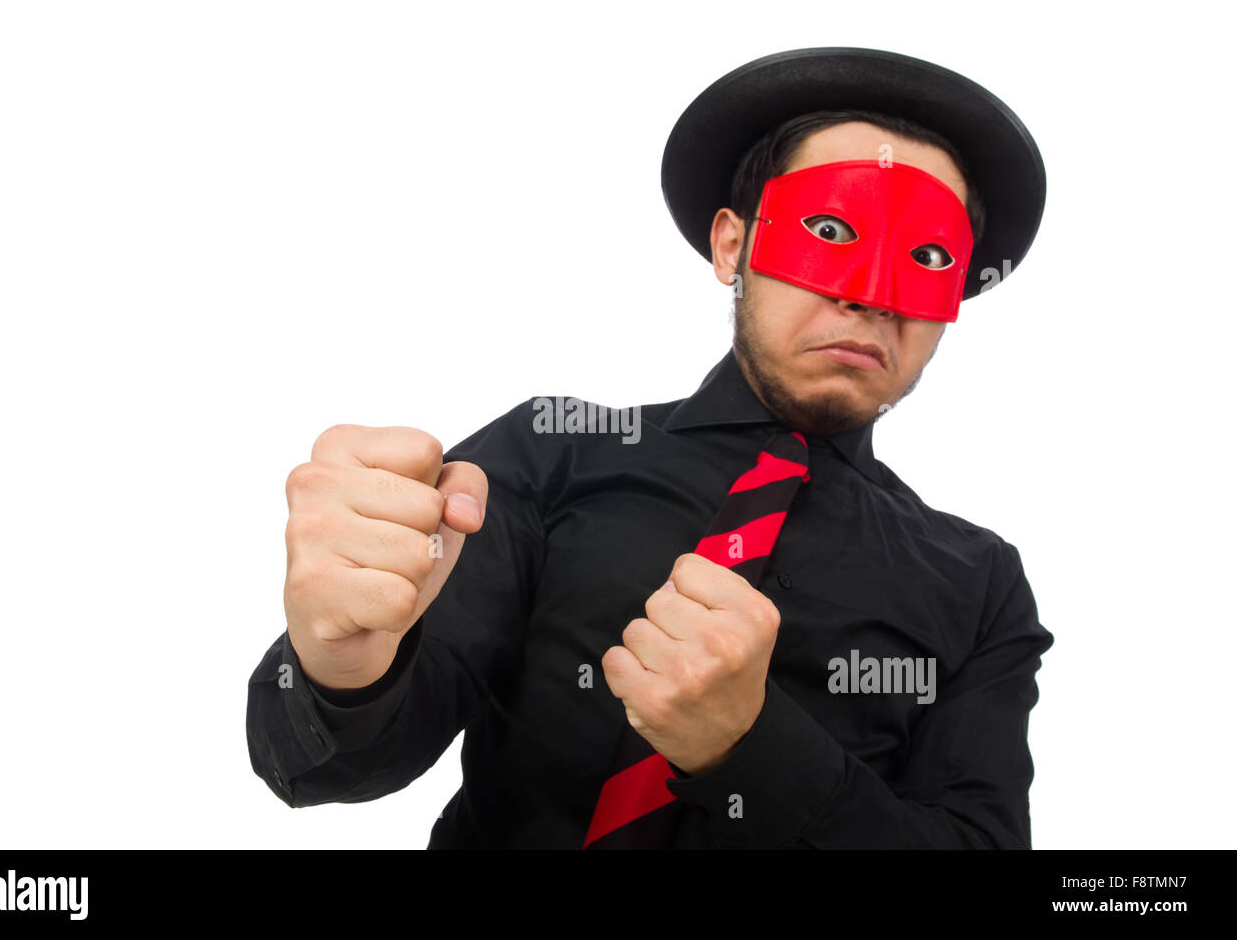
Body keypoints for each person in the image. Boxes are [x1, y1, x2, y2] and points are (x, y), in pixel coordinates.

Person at [246, 46, 1055, 848]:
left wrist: (752, 746)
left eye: (926, 257)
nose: (870, 295)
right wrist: (336, 666)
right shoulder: (552, 454)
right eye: (832, 228)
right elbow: (325, 767)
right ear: (733, 246)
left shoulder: (981, 586)